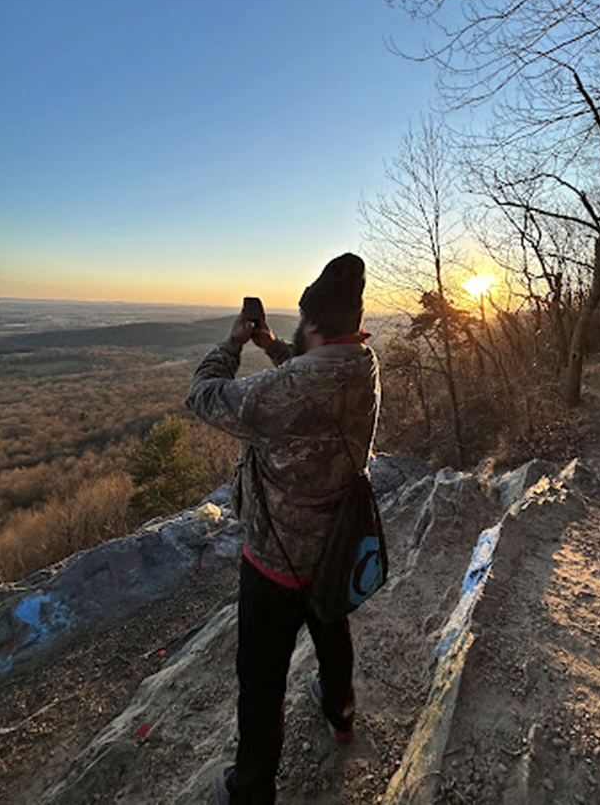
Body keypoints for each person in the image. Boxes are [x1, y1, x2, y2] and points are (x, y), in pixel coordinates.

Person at [185, 253, 381, 805]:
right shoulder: (362, 363)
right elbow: (310, 373)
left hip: (277, 559)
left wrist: (233, 345)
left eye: (301, 322)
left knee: (262, 678)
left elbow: (203, 395)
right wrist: (272, 345)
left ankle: (251, 791)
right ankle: (341, 715)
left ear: (312, 324)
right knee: (332, 631)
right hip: (338, 546)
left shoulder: (292, 386)